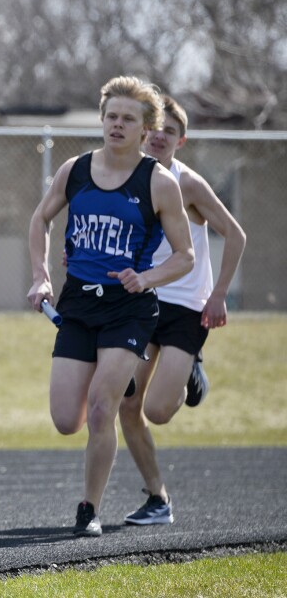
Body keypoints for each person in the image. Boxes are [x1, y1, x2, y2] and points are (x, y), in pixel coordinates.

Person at [26, 75, 194, 537]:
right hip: (79, 302)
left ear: (146, 129)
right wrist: (41, 276)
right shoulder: (75, 169)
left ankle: (89, 509)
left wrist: (147, 278)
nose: (117, 125)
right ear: (102, 120)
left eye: (129, 119)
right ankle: (108, 394)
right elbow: (41, 218)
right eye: (112, 116)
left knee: (103, 408)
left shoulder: (158, 182)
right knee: (66, 420)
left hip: (130, 308)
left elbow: (185, 256)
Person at [118, 94, 246, 525]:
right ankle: (158, 498)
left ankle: (192, 367)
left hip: (187, 308)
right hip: (144, 301)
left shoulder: (187, 183)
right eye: (154, 130)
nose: (158, 138)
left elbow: (236, 234)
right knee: (126, 403)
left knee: (157, 410)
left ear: (181, 141)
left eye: (169, 133)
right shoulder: (132, 177)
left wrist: (218, 294)